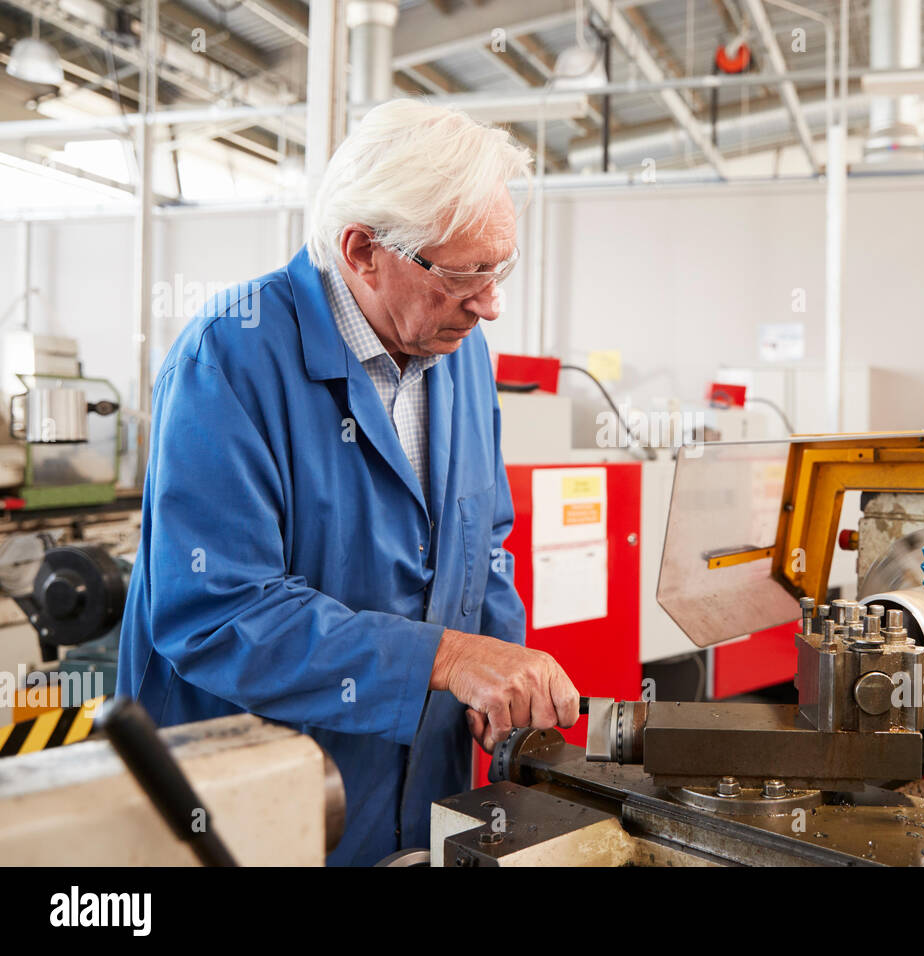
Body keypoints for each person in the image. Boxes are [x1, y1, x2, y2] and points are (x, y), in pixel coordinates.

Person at [117, 100, 580, 865]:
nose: (490, 302)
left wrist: (504, 680)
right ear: (363, 250)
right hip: (255, 812)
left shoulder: (460, 354)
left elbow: (484, 537)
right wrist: (445, 659)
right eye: (464, 274)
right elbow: (218, 613)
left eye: (499, 269)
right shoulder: (227, 359)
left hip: (419, 795)